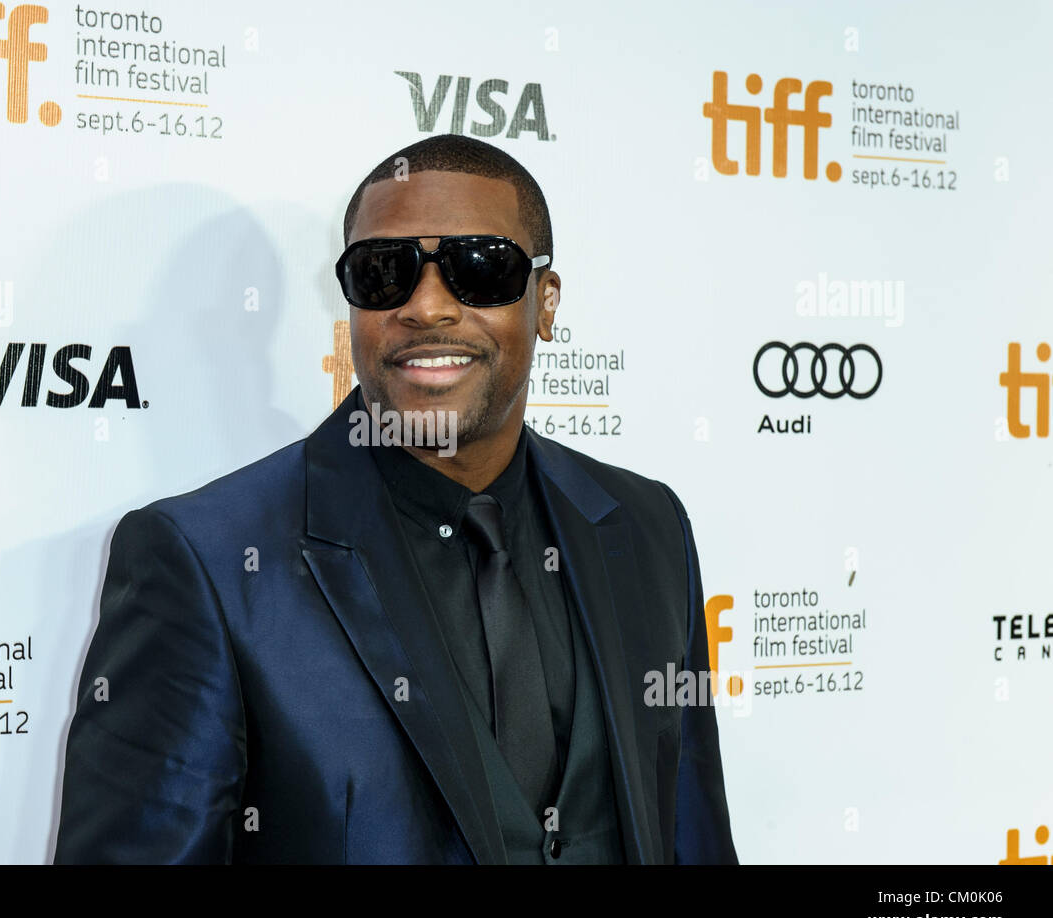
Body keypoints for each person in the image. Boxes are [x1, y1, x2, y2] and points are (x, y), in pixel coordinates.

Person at [54, 133, 738, 864]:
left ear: (546, 300)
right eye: (386, 273)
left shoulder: (644, 525)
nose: (428, 307)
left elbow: (690, 830)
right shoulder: (206, 564)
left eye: (482, 268)